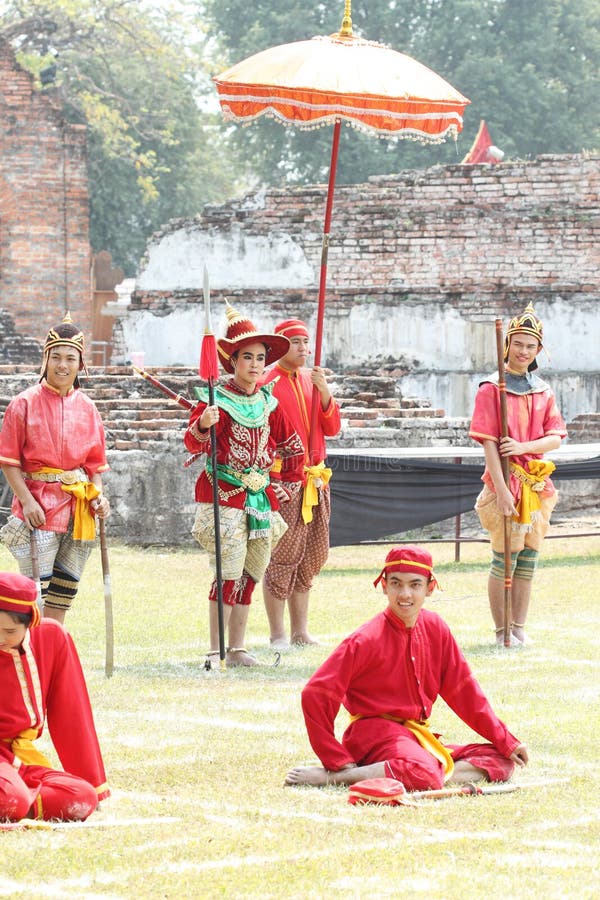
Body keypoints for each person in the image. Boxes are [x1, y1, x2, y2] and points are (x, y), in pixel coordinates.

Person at [285, 546, 528, 791]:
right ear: (384, 586)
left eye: (415, 584)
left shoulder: (436, 627)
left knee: (502, 760)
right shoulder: (365, 639)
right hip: (372, 735)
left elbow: (465, 692)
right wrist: (336, 760)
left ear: (429, 588)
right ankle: (343, 777)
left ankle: (415, 771)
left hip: (413, 737)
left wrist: (506, 741)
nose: (405, 594)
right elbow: (316, 693)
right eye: (396, 583)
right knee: (424, 771)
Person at [184, 303, 304, 667]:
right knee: (227, 572)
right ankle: (215, 649)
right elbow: (192, 444)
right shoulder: (214, 401)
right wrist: (203, 424)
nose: (254, 364)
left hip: (260, 498)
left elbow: (294, 449)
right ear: (232, 360)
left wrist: (286, 485)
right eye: (247, 357)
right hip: (225, 495)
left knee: (251, 574)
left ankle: (237, 649)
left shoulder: (269, 403)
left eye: (260, 358)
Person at [0, 314, 111, 624]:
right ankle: (30, 647)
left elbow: (94, 466)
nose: (63, 365)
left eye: (70, 358)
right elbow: (9, 461)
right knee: (35, 593)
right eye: (57, 357)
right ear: (46, 359)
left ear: (80, 364)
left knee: (63, 593)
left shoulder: (88, 408)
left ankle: (53, 646)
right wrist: (27, 501)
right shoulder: (23, 404)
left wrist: (98, 497)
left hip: (80, 511)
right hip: (39, 507)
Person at [469, 303, 567, 646]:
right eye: (518, 344)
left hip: (537, 487)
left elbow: (555, 437)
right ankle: (502, 630)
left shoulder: (543, 390)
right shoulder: (490, 389)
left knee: (528, 559)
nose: (523, 351)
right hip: (504, 485)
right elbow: (489, 444)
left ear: (539, 350)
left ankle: (519, 627)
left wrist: (523, 446)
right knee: (504, 559)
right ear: (507, 344)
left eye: (530, 346)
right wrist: (502, 491)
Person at [0, 571, 110, 821]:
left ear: (31, 622)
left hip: (18, 761)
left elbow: (72, 714)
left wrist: (94, 783)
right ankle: (15, 802)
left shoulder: (51, 638)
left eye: (9, 631)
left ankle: (18, 804)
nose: (0, 639)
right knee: (11, 797)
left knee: (82, 796)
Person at [261, 318, 341, 649]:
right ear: (281, 346)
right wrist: (273, 480)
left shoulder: (313, 379)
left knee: (311, 556)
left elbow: (332, 428)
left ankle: (300, 632)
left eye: (306, 342)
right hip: (286, 482)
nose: (303, 348)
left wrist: (324, 392)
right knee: (283, 558)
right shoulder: (267, 383)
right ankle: (278, 633)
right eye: (295, 342)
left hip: (317, 480)